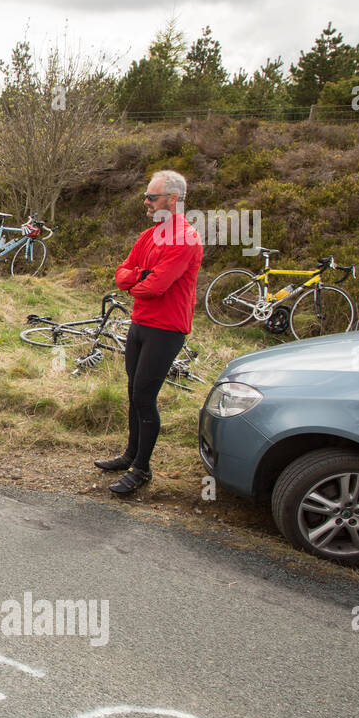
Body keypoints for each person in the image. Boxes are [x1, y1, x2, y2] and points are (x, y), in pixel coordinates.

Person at [96, 170, 204, 496]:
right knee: (133, 390)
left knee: (144, 396)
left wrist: (139, 279)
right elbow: (121, 275)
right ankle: (130, 454)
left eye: (151, 197)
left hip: (167, 328)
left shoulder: (185, 237)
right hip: (141, 322)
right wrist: (140, 276)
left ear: (173, 200)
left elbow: (155, 287)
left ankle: (142, 469)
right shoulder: (149, 235)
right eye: (146, 196)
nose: (145, 201)